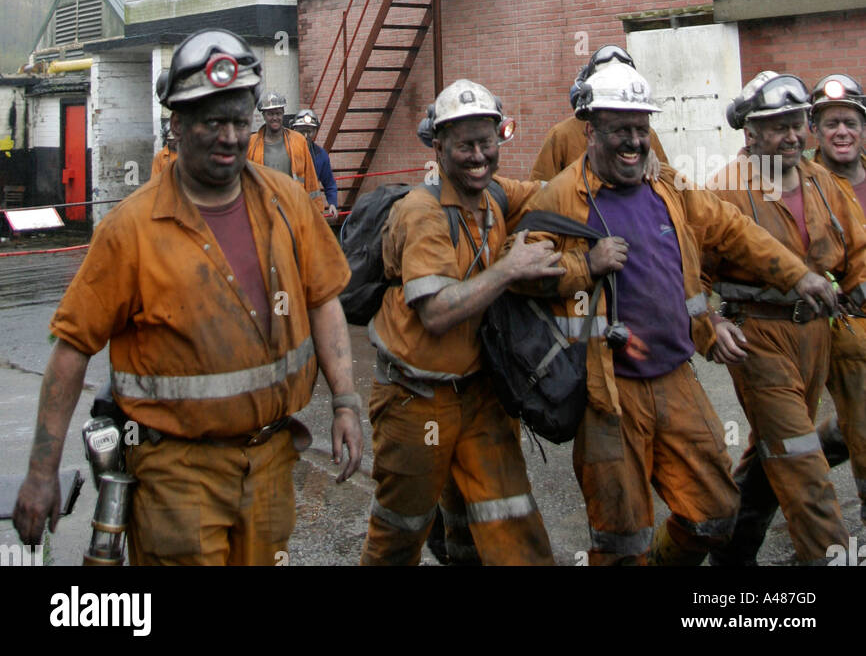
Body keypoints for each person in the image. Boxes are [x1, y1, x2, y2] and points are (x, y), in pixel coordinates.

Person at [13, 29, 362, 566]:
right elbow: (71, 350)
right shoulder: (130, 229)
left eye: (238, 121)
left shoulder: (289, 203)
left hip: (269, 461)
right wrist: (42, 472)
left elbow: (323, 301)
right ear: (176, 124)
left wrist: (344, 401)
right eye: (211, 122)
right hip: (176, 475)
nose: (228, 136)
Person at [520, 59, 832, 566]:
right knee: (622, 540)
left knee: (715, 514)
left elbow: (731, 228)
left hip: (675, 377)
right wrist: (584, 265)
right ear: (590, 130)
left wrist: (797, 275)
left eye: (642, 130)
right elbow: (527, 276)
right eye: (621, 129)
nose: (635, 142)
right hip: (607, 395)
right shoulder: (562, 197)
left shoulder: (666, 185)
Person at [359, 78, 563, 567]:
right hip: (415, 400)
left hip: (479, 397)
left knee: (514, 523)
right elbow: (436, 312)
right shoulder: (422, 213)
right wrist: (510, 268)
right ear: (439, 146)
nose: (478, 156)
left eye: (487, 143)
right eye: (464, 145)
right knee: (399, 535)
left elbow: (551, 193)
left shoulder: (494, 197)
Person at [703, 71, 866, 566]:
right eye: (779, 127)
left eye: (798, 124)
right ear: (751, 133)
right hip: (759, 339)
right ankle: (828, 557)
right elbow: (692, 272)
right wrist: (709, 324)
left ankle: (729, 552)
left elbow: (856, 251)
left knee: (772, 453)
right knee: (803, 463)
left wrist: (856, 288)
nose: (793, 136)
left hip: (819, 332)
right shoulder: (725, 190)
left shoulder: (822, 182)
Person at [530, 43, 667, 180]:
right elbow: (540, 192)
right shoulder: (562, 136)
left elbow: (668, 190)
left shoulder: (648, 137)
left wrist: (651, 164)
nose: (634, 141)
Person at [247, 91, 323, 212]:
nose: (275, 118)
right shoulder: (251, 144)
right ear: (264, 116)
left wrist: (317, 210)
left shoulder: (298, 141)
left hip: (293, 208)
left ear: (283, 114)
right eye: (270, 114)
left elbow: (310, 177)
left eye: (278, 113)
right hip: (263, 210)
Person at [291, 108, 339, 221]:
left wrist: (332, 203)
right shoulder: (286, 152)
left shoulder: (320, 156)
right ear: (294, 130)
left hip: (311, 211)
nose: (306, 135)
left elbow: (329, 183)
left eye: (310, 131)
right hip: (290, 208)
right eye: (302, 131)